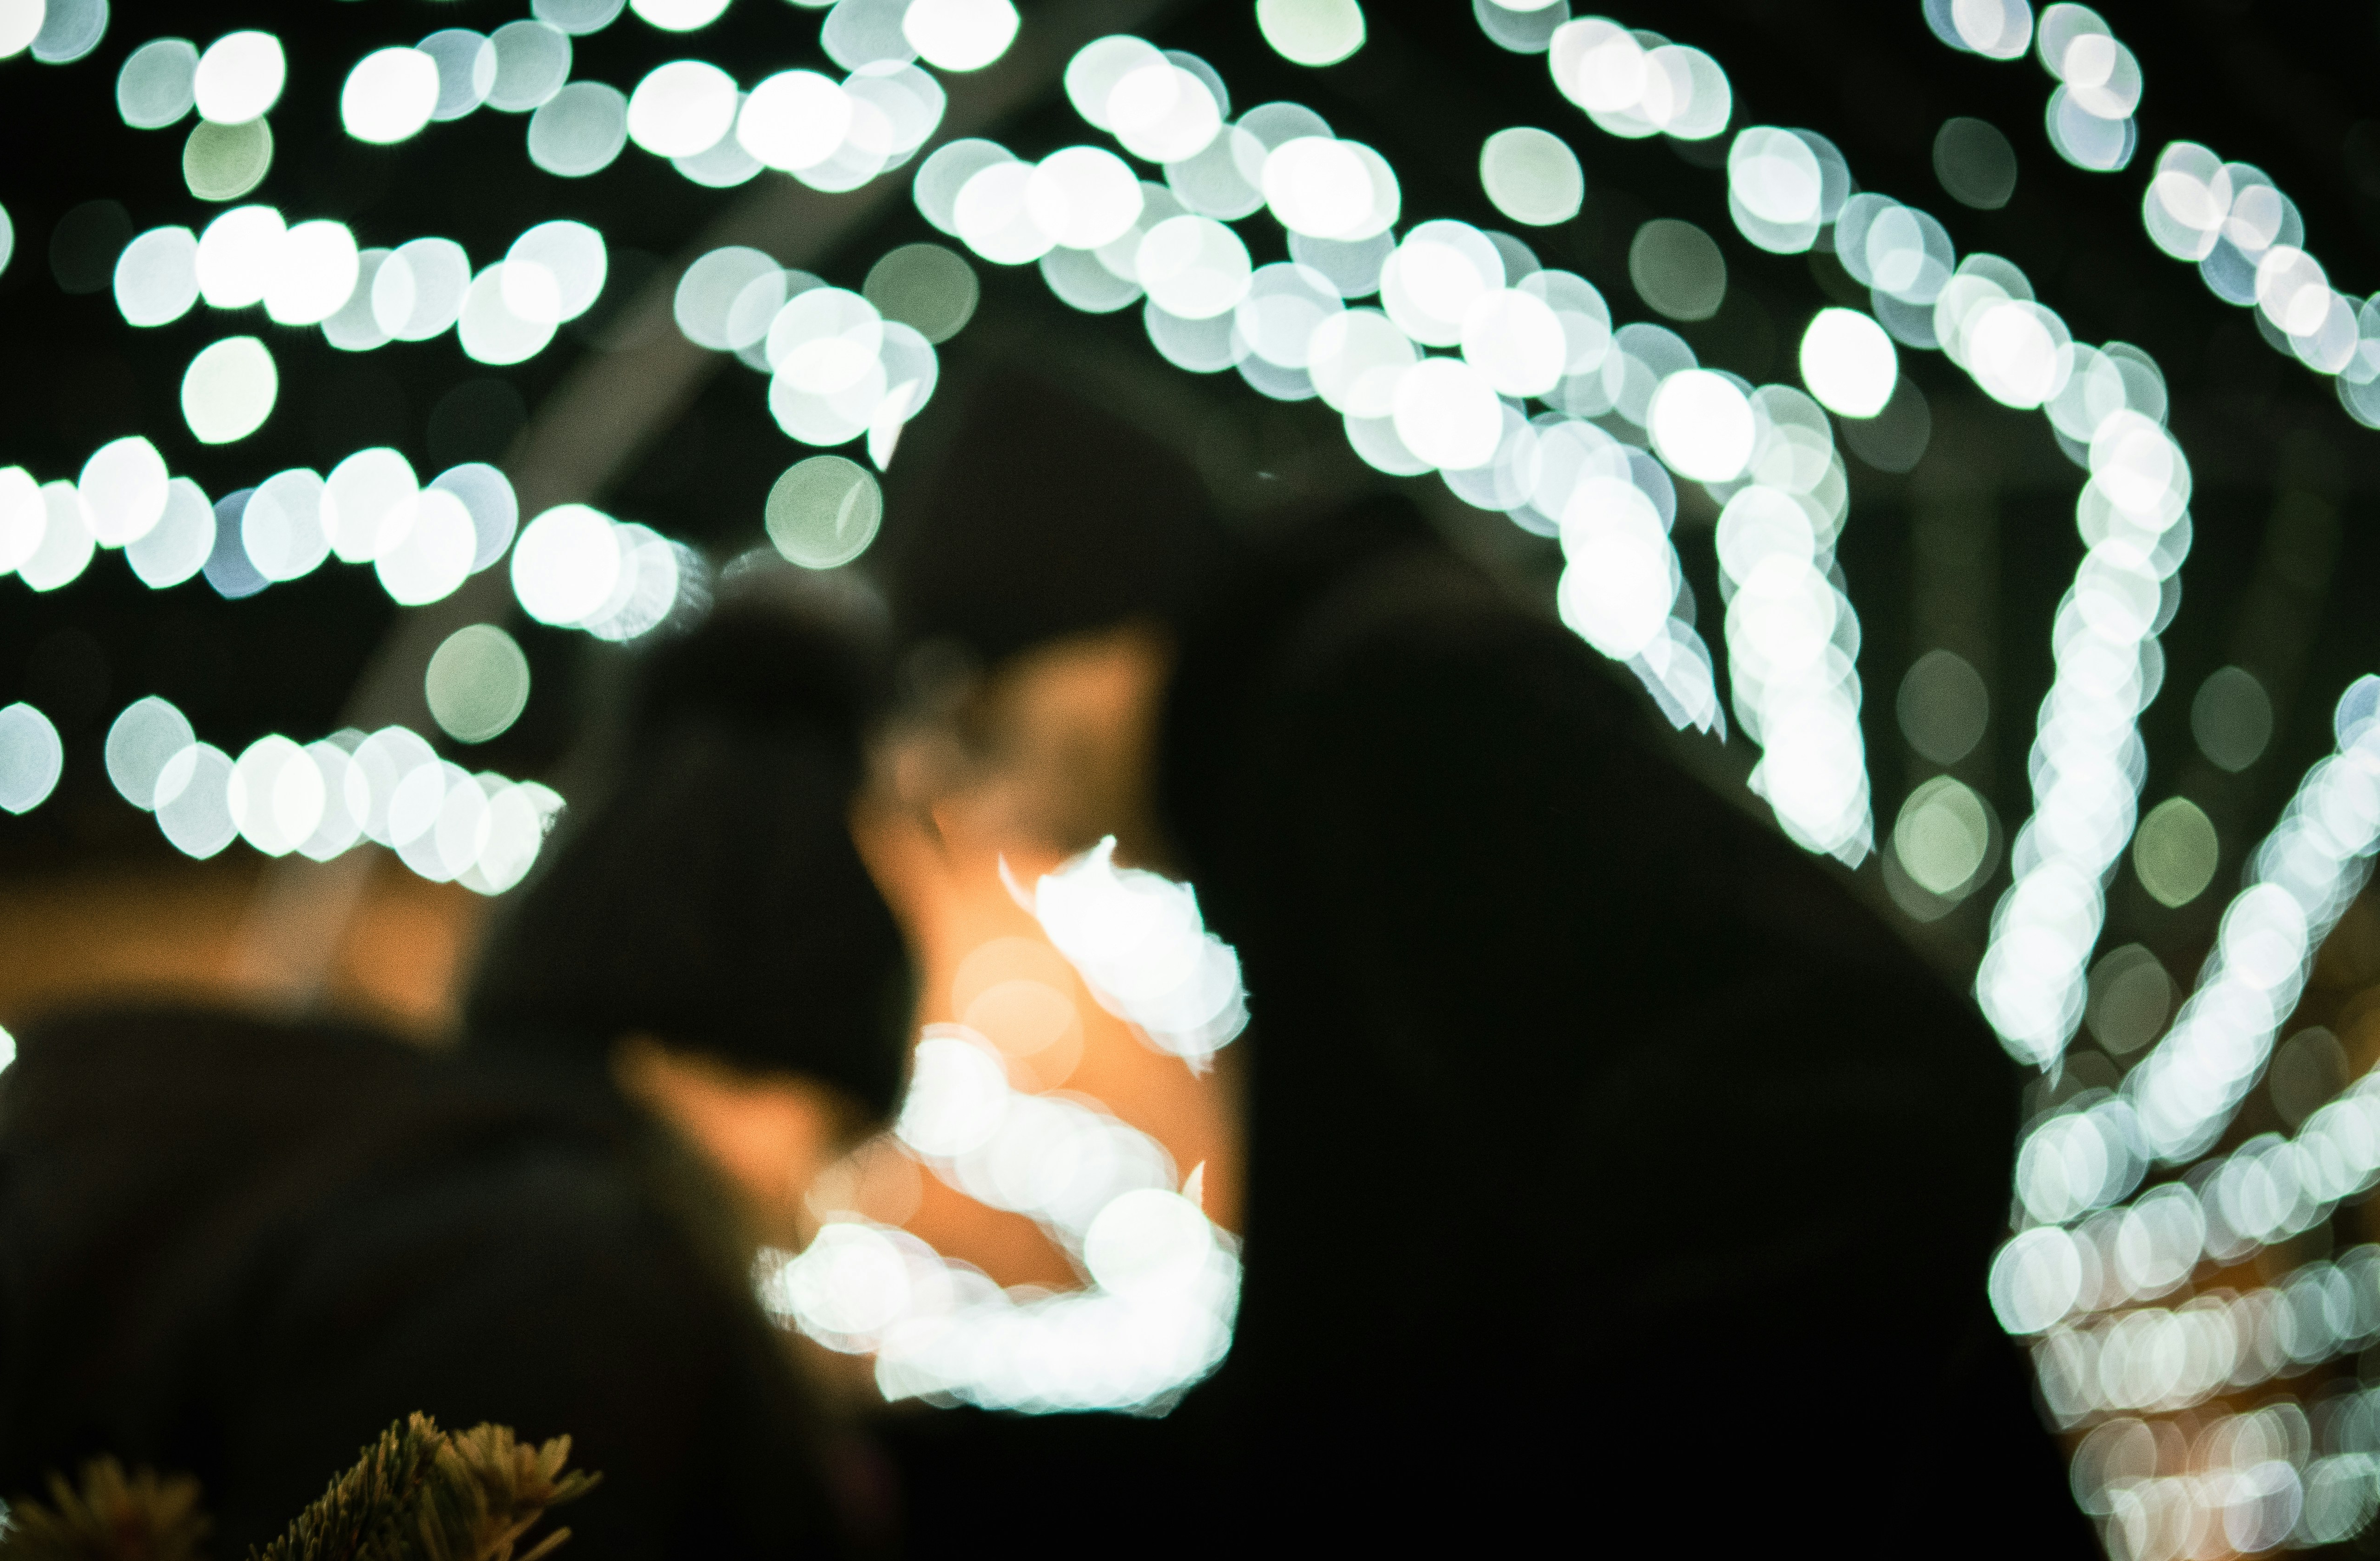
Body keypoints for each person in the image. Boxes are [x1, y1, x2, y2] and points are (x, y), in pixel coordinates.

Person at [869, 363, 2093, 1553]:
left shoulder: (1384, 719)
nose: (1006, 817)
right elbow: (1370, 1396)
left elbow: (1861, 1088)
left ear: (1095, 620)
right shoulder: (1316, 765)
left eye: (988, 726)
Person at [0, 584, 913, 1559]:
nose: (815, 1196)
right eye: (826, 1126)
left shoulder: (437, 1226)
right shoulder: (575, 1281)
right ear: (671, 1055)